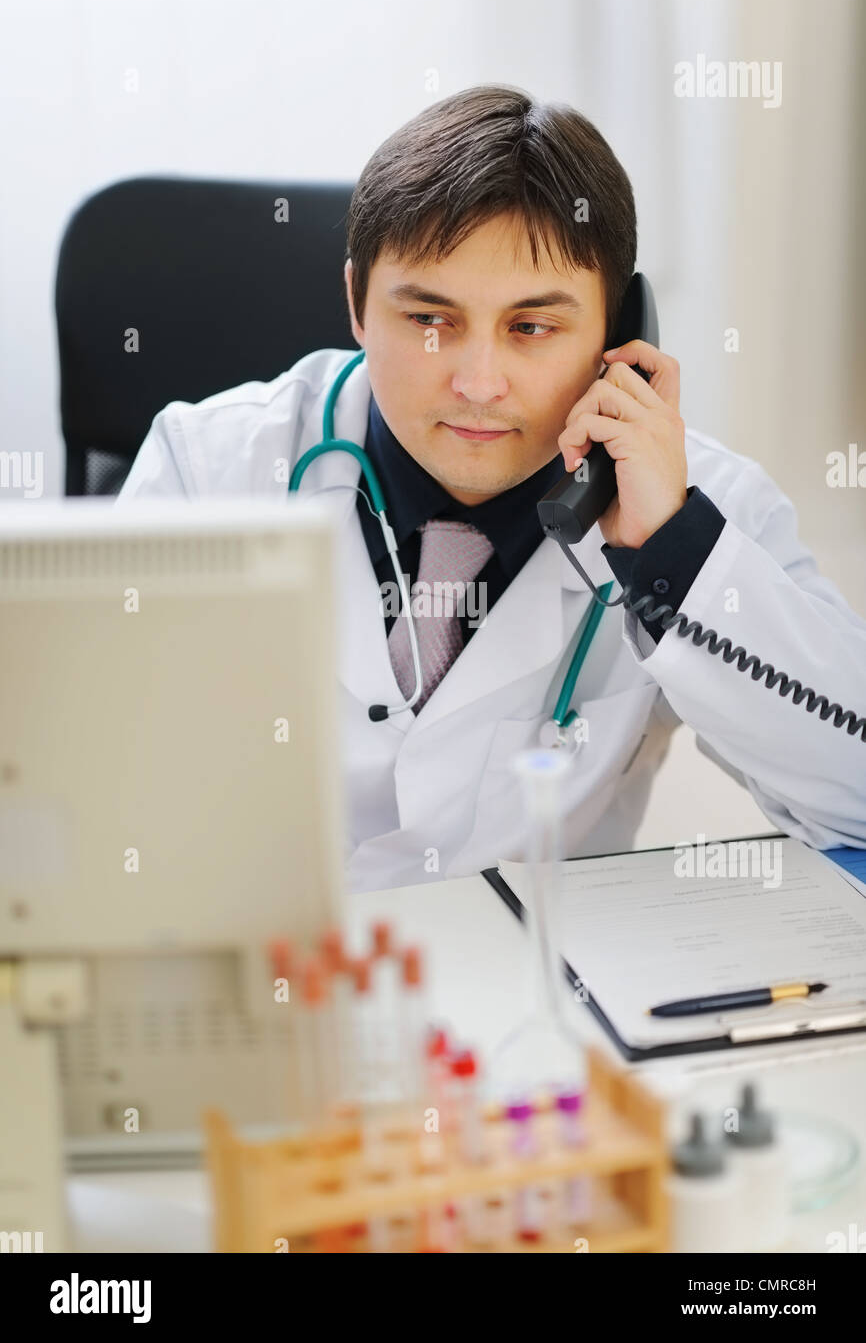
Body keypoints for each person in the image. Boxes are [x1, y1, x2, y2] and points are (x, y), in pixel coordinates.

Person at [116, 83, 866, 892]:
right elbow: (79, 786)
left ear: (618, 333)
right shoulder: (207, 470)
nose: (478, 383)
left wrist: (672, 558)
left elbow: (854, 798)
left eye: (532, 327)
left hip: (546, 998)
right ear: (356, 306)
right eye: (429, 321)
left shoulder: (704, 512)